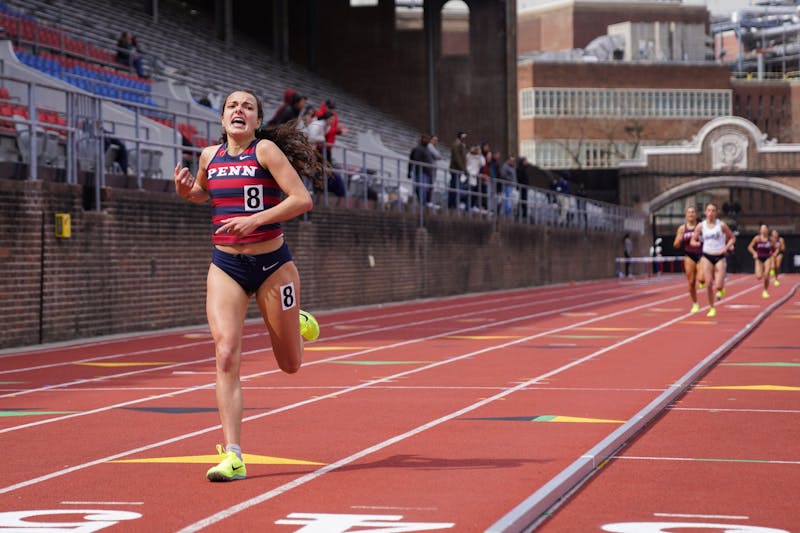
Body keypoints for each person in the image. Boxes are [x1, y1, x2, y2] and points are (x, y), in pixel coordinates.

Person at [173, 89, 322, 482]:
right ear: (222, 119)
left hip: (273, 265)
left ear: (256, 121)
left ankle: (296, 320)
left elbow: (301, 199)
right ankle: (234, 454)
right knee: (225, 354)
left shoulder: (266, 153)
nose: (239, 111)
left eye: (248, 107)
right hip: (226, 266)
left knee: (290, 364)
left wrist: (255, 220)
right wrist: (187, 191)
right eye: (231, 106)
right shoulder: (208, 156)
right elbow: (203, 194)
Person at [690, 203, 736, 318]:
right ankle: (712, 307)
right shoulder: (701, 226)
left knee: (718, 286)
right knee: (708, 283)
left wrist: (726, 248)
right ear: (705, 212)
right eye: (709, 210)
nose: (711, 213)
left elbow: (732, 238)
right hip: (707, 255)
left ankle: (721, 288)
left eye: (713, 210)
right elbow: (692, 240)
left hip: (719, 255)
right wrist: (696, 243)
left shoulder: (721, 225)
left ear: (716, 213)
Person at [672, 206, 706, 312]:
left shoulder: (701, 227)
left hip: (701, 255)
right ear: (686, 215)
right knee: (691, 282)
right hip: (689, 255)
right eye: (689, 212)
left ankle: (703, 280)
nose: (691, 214)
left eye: (693, 212)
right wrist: (680, 239)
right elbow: (675, 245)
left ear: (696, 215)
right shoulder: (682, 228)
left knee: (701, 278)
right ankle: (695, 303)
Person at [747, 225, 774, 299]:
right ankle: (761, 275)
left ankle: (765, 290)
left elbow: (775, 248)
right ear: (760, 231)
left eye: (765, 229)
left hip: (767, 257)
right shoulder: (757, 238)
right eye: (763, 229)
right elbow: (749, 247)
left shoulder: (770, 239)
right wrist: (754, 253)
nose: (764, 230)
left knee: (766, 275)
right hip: (759, 258)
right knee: (759, 276)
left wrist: (773, 253)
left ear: (767, 230)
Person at [408, 134, 435, 206]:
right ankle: (422, 205)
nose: (428, 141)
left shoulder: (427, 149)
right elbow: (412, 160)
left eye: (428, 139)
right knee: (421, 189)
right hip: (421, 173)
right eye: (426, 139)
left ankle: (425, 204)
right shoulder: (418, 149)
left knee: (426, 190)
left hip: (427, 173)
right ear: (422, 139)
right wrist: (409, 172)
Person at [448, 131, 468, 209]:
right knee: (455, 187)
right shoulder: (457, 145)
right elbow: (457, 158)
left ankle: (453, 203)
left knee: (455, 186)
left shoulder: (461, 145)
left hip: (458, 169)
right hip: (455, 169)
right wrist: (463, 169)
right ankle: (452, 204)